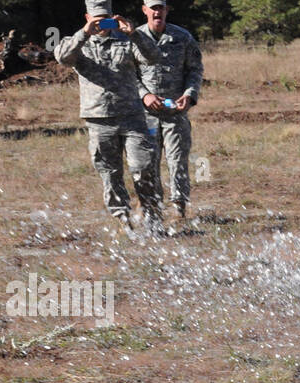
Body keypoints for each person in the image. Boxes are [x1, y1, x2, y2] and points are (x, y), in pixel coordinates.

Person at [55, 0, 163, 233]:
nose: (102, 24)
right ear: (87, 18)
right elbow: (63, 58)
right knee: (110, 173)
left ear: (113, 17)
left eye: (106, 18)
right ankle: (123, 219)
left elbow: (153, 57)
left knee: (144, 166)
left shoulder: (127, 40)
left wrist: (134, 34)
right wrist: (84, 33)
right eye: (97, 19)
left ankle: (152, 216)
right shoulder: (77, 43)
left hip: (132, 116)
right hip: (99, 118)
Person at [137, 0, 204, 221]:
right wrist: (144, 95)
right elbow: (128, 74)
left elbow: (195, 69)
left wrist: (190, 94)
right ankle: (151, 208)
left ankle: (180, 208)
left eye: (161, 7)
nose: (157, 12)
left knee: (178, 161)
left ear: (167, 10)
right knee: (147, 164)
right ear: (145, 10)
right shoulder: (135, 38)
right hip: (146, 117)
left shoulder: (182, 37)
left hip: (176, 114)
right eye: (153, 8)